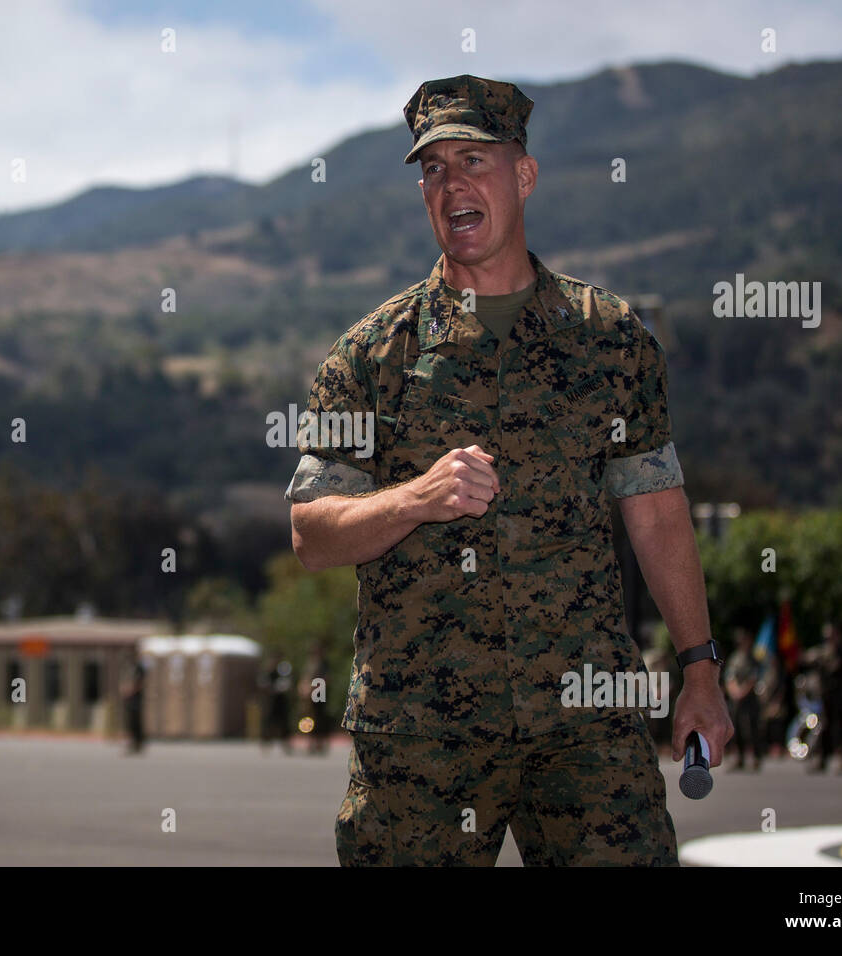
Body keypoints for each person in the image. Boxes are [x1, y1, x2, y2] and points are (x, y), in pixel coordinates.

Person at [286, 75, 733, 866]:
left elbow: (657, 509)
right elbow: (312, 534)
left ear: (523, 176)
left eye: (473, 161)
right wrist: (415, 500)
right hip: (423, 735)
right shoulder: (370, 356)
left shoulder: (611, 339)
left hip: (585, 724)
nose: (450, 183)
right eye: (431, 170)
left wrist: (699, 668)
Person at [809, 623, 842, 774]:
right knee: (824, 726)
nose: (829, 639)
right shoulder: (822, 652)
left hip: (840, 694)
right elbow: (807, 659)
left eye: (831, 636)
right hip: (826, 694)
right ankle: (822, 759)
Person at [724, 627, 762, 770]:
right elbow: (730, 677)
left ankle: (756, 758)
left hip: (749, 698)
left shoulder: (754, 658)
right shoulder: (735, 658)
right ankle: (739, 758)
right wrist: (734, 691)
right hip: (736, 698)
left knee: (752, 728)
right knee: (736, 728)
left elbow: (754, 678)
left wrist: (742, 692)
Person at [122, 661, 146, 755]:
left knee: (135, 722)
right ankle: (134, 743)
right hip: (132, 700)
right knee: (132, 722)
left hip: (136, 700)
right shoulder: (132, 668)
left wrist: (129, 691)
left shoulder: (140, 668)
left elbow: (139, 684)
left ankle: (137, 743)